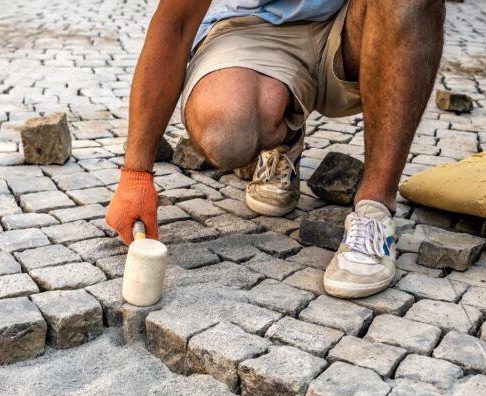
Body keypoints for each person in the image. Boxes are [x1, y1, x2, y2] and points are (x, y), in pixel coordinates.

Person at [105, 0, 446, 298]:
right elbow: (175, 24)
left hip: (354, 26)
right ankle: (285, 128)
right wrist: (136, 174)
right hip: (257, 28)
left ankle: (374, 208)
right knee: (225, 132)